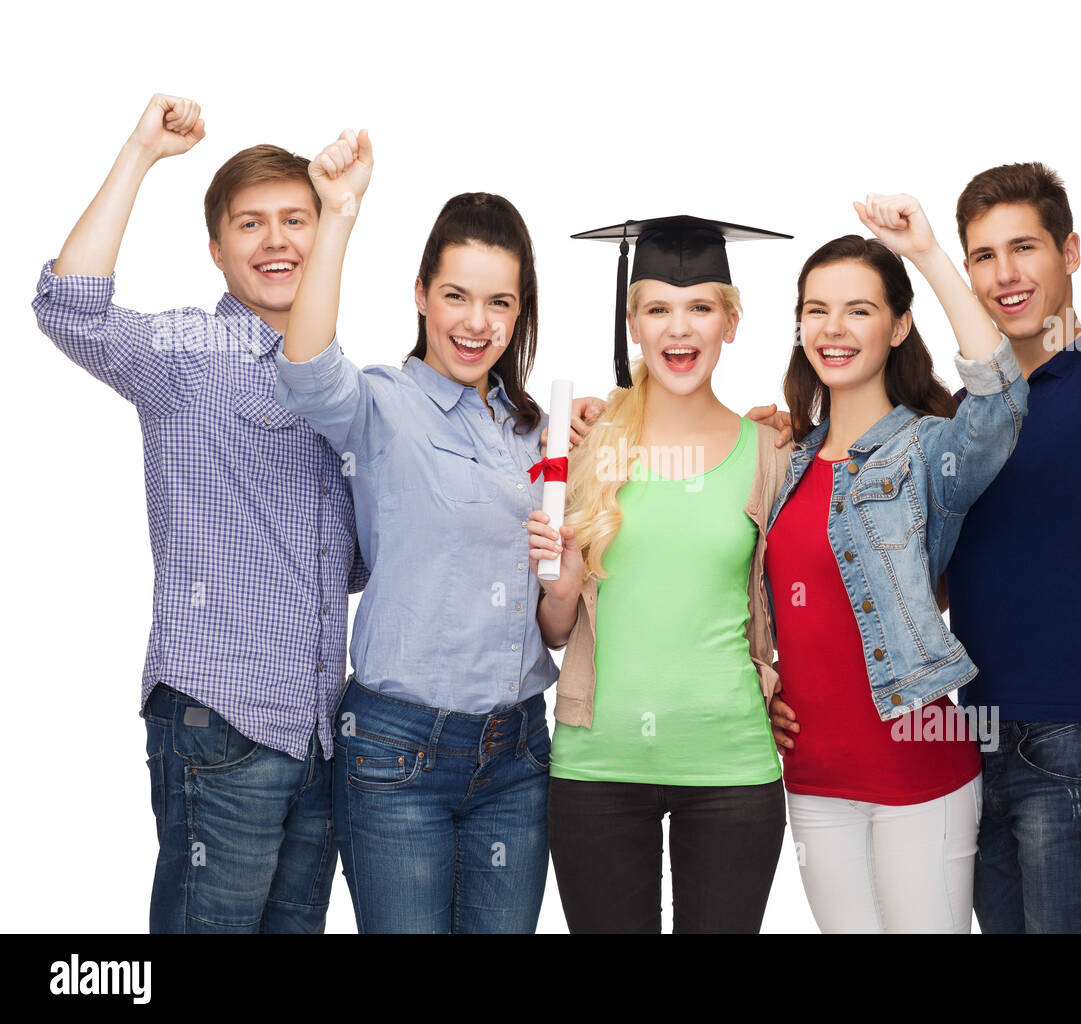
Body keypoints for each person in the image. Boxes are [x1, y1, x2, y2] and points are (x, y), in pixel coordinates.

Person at [778, 125, 1081, 933]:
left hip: (1075, 731)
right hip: (971, 735)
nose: (1005, 275)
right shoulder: (958, 412)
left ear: (1069, 252)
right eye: (982, 256)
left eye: (1024, 248)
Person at [30, 94, 371, 933]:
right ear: (217, 250)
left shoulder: (342, 386)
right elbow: (68, 309)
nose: (278, 240)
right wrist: (142, 151)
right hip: (223, 723)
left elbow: (357, 561)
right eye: (251, 224)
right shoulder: (186, 354)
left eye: (297, 218)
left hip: (318, 734)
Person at [272, 128, 614, 933]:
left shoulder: (542, 436)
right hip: (396, 755)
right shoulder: (380, 406)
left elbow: (552, 626)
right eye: (456, 294)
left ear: (520, 310)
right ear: (421, 292)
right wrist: (338, 212)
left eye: (499, 301)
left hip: (518, 756)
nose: (476, 322)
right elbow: (305, 364)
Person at [763, 194, 1027, 932]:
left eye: (858, 310)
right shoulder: (784, 460)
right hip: (812, 776)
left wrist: (928, 254)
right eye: (816, 310)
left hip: (917, 768)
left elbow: (1002, 400)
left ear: (899, 324)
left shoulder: (928, 450)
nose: (833, 329)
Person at [529, 215, 793, 933]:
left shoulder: (770, 451)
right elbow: (556, 630)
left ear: (730, 323)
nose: (680, 330)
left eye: (702, 307)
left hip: (731, 767)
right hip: (597, 766)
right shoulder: (581, 445)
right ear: (633, 323)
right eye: (658, 309)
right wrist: (559, 585)